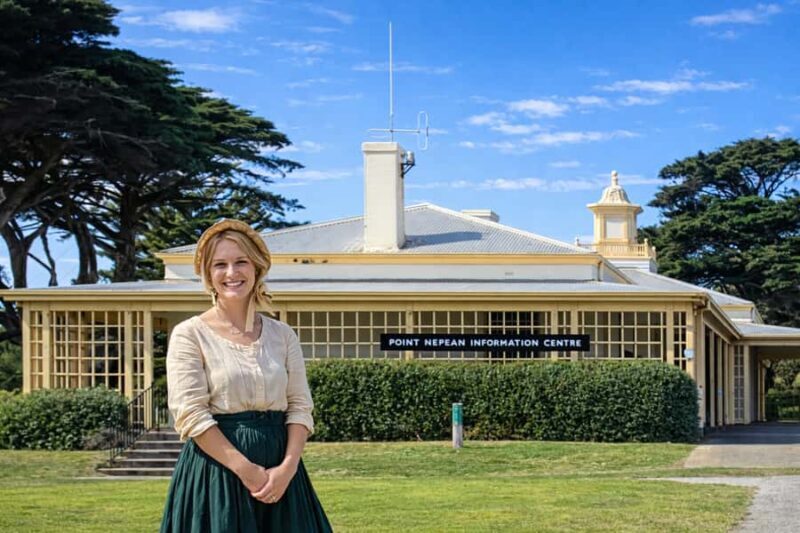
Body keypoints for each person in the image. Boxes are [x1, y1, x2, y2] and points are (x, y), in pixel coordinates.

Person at [160, 219, 332, 532]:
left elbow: (299, 406)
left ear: (256, 267)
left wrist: (286, 469)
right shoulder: (190, 335)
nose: (231, 273)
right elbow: (191, 415)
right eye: (220, 264)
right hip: (217, 475)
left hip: (283, 474)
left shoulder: (283, 335)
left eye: (241, 262)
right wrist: (247, 471)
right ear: (207, 275)